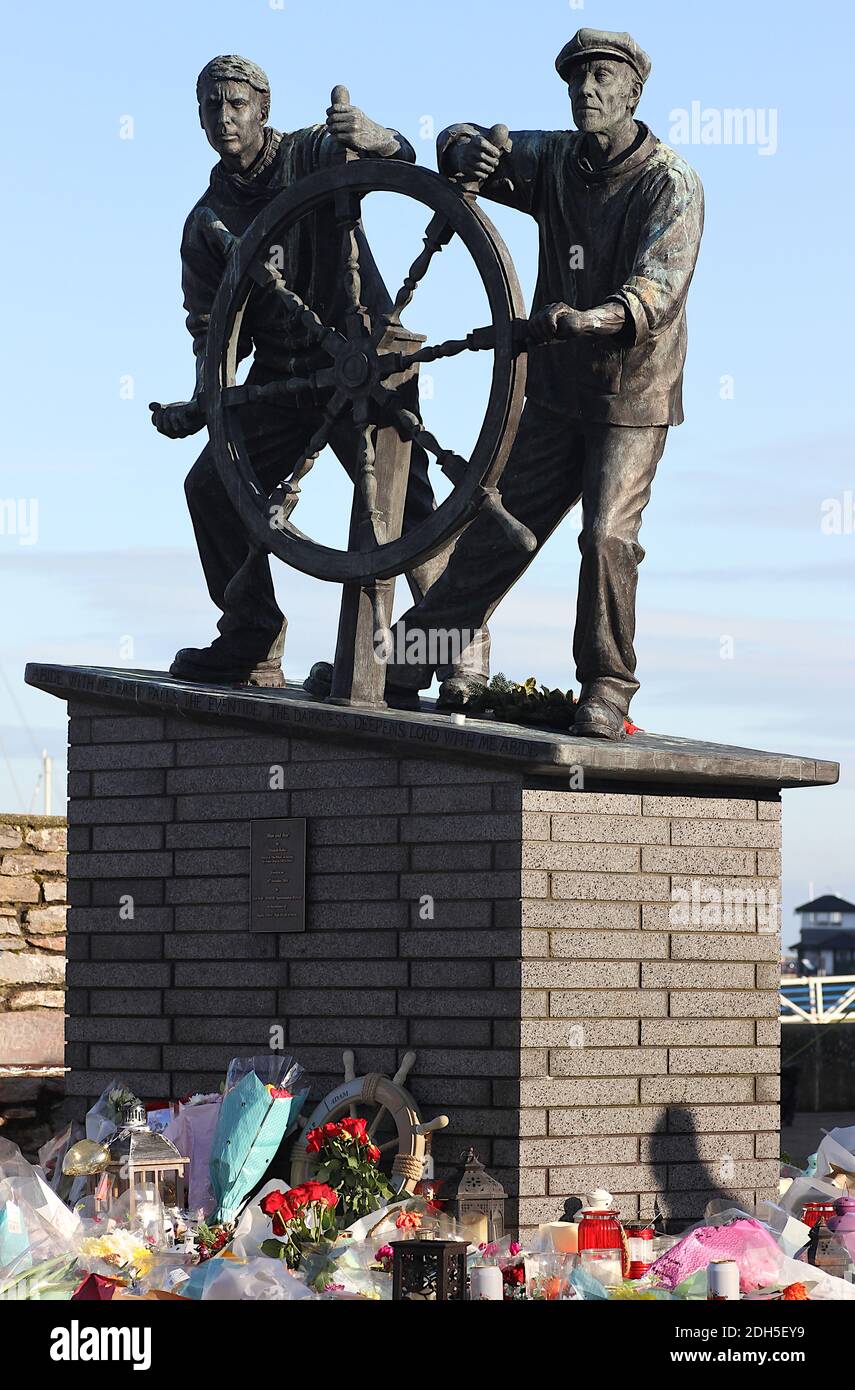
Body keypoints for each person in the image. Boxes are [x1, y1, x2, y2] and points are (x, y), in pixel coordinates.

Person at [383, 29, 704, 739]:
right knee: (502, 531)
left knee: (605, 538)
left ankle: (606, 686)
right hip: (558, 391)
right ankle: (408, 660)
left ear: (632, 93)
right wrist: (467, 149)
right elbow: (457, 146)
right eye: (576, 80)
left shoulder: (669, 183)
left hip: (631, 399)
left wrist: (592, 318)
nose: (585, 91)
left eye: (600, 79)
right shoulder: (555, 159)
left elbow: (657, 287)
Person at [151, 55, 487, 688]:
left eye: (236, 104)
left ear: (263, 110)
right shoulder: (207, 223)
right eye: (211, 107)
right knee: (212, 488)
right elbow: (214, 333)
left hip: (363, 360)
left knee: (404, 506)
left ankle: (457, 651)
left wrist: (377, 135)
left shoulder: (311, 154)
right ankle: (251, 639)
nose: (224, 117)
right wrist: (201, 404)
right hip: (284, 379)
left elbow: (399, 157)